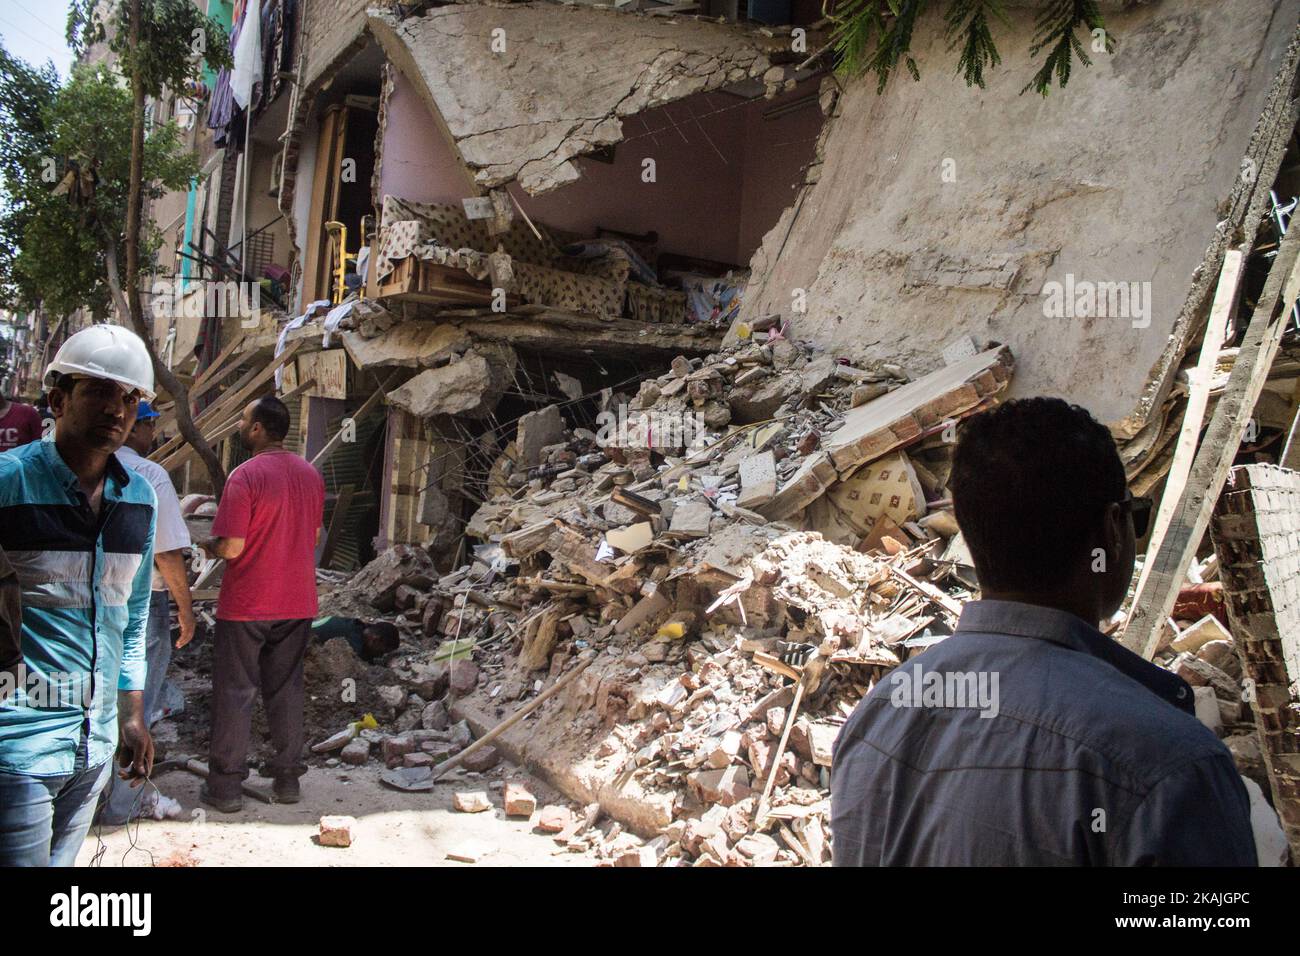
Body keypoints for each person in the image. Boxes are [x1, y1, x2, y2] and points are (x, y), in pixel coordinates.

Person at [831, 397, 1257, 866]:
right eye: (1133, 518)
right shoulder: (1168, 767)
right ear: (1113, 530)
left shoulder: (877, 716)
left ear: (970, 535)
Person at [0, 325, 157, 866]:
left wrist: (131, 715)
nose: (116, 409)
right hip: (17, 747)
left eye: (129, 397)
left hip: (93, 745)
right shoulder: (9, 483)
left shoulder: (140, 500)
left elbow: (132, 620)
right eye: (99, 391)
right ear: (58, 399)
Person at [200, 395, 324, 812]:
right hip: (298, 600)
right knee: (286, 689)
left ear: (256, 429)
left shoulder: (245, 475)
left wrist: (207, 545)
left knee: (236, 691)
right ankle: (288, 779)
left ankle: (225, 787)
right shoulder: (311, 474)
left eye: (243, 419)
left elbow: (232, 547)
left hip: (249, 603)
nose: (239, 425)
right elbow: (312, 534)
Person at [98, 400, 194, 824]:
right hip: (140, 603)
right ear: (139, 426)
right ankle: (121, 805)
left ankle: (84, 801)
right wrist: (185, 610)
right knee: (137, 702)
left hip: (82, 603)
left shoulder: (75, 463)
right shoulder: (150, 475)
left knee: (90, 702)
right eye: (151, 426)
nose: (153, 435)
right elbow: (169, 553)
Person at [311, 617, 400, 664]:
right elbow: (361, 664)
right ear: (375, 640)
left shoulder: (357, 626)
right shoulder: (354, 643)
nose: (380, 655)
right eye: (382, 651)